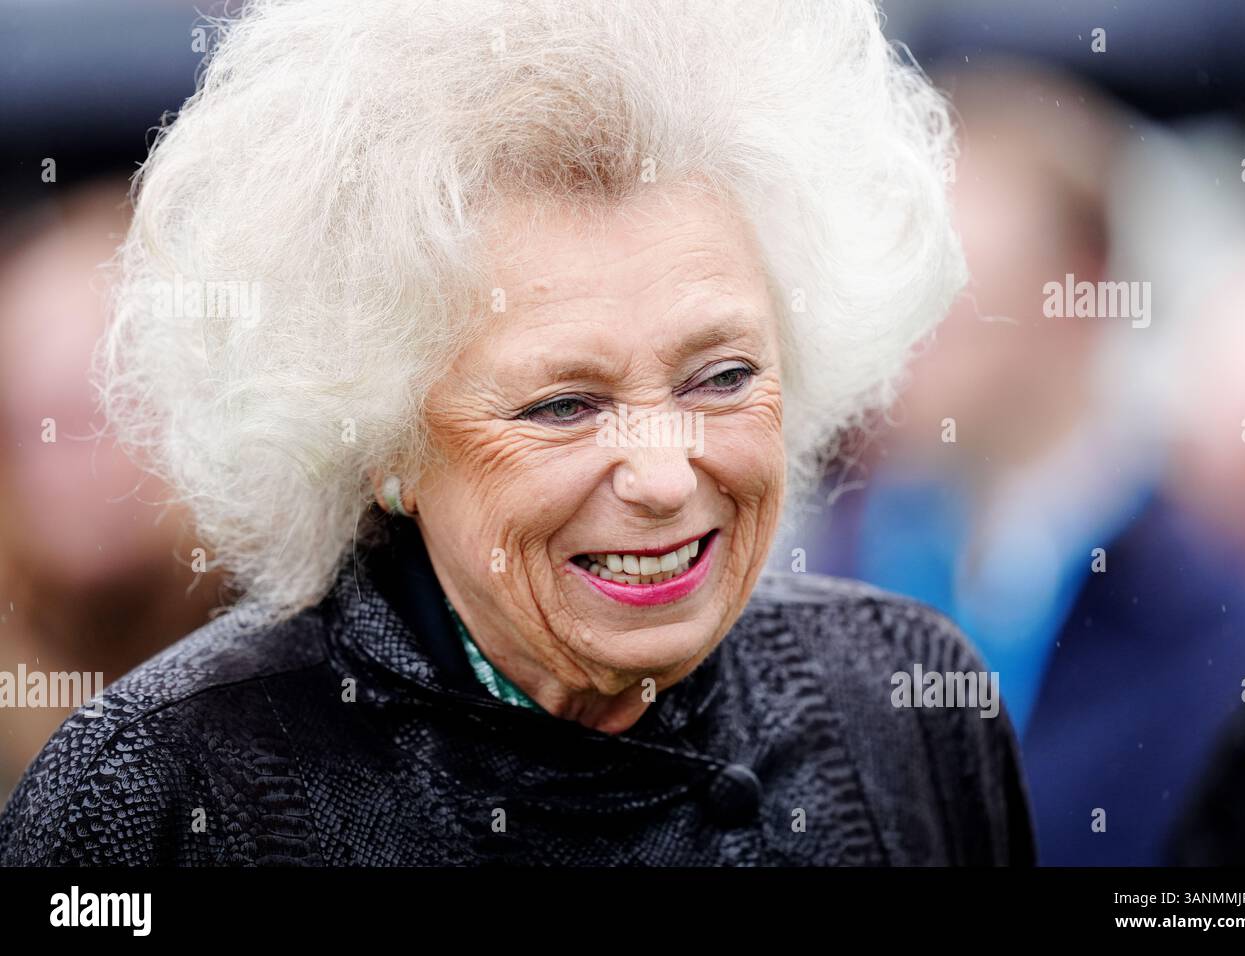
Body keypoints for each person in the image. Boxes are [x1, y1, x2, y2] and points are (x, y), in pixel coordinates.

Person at [0, 0, 1033, 866]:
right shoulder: (166, 790)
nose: (666, 474)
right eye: (563, 405)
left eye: (721, 377)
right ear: (389, 445)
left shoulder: (899, 702)